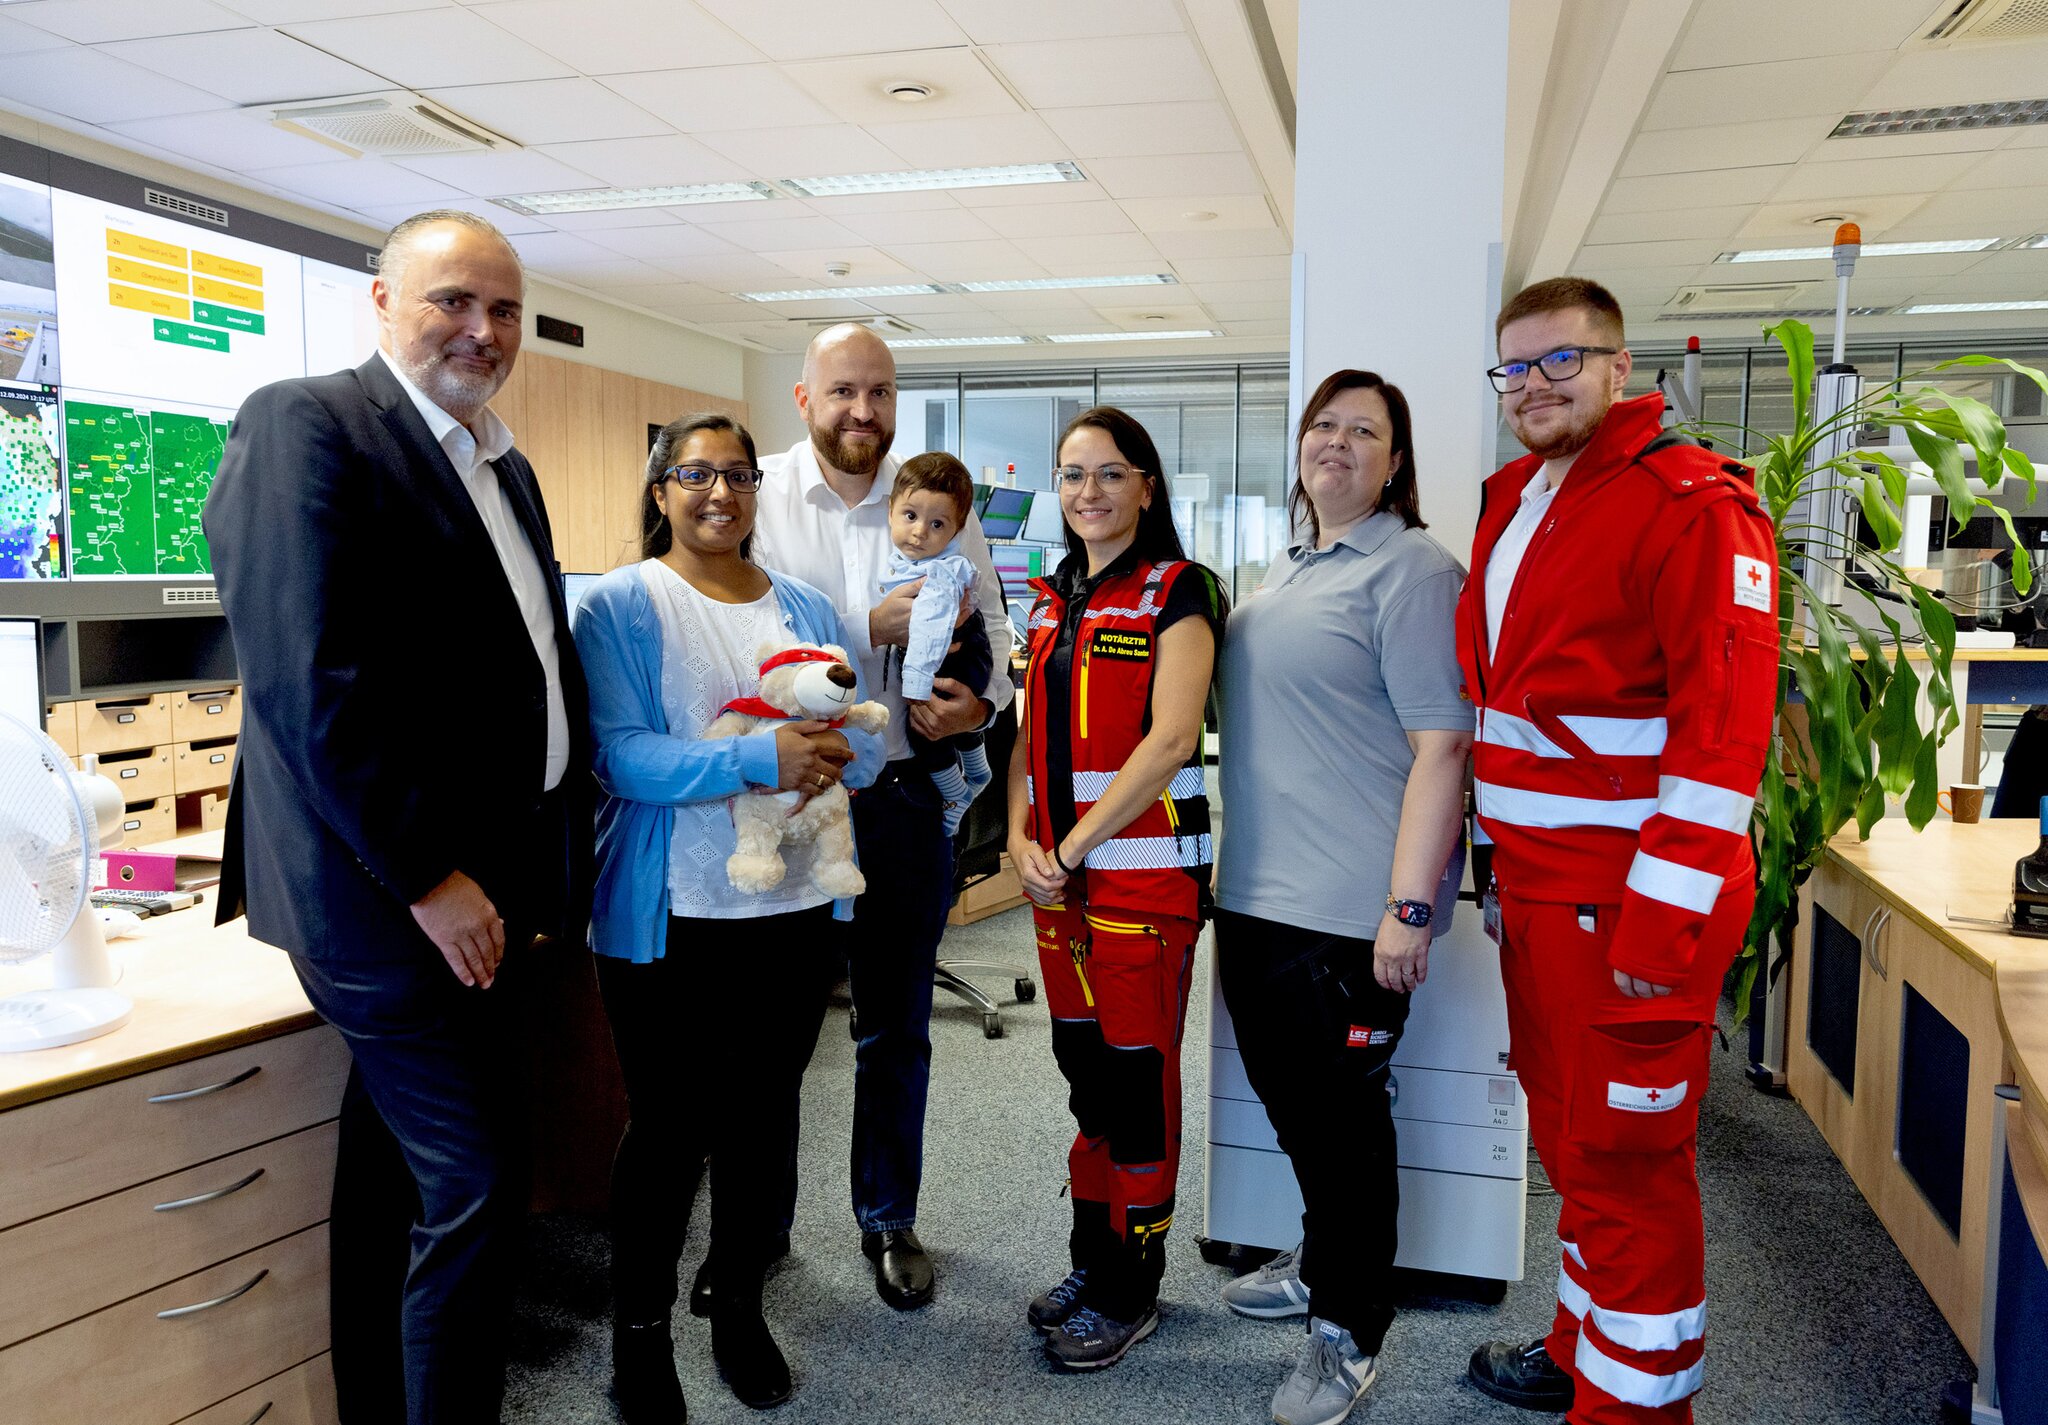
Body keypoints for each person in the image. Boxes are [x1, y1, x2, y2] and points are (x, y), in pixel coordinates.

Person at [203, 210, 592, 1425]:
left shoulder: (503, 464)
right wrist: (428, 876)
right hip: (384, 899)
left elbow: (525, 669)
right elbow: (311, 683)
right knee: (479, 1183)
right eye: (452, 301)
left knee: (391, 1177)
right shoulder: (307, 424)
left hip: (489, 886)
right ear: (381, 301)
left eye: (505, 309)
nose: (483, 330)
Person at [1456, 277, 1776, 1424]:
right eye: (1514, 366)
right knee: (1570, 1147)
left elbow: (1721, 735)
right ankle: (1579, 1351)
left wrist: (1661, 920)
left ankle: (1634, 1408)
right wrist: (1495, 872)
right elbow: (1514, 711)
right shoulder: (1517, 498)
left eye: (1561, 359)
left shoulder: (1691, 505)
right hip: (1540, 901)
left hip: (1632, 910)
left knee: (1627, 1170)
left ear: (1616, 365)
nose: (1533, 384)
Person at [571, 413, 883, 1421]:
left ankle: (739, 1308)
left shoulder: (801, 603)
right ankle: (639, 1336)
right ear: (660, 488)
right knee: (669, 1129)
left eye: (739, 475)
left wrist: (853, 749)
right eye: (696, 474)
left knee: (762, 1120)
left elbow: (860, 741)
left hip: (790, 909)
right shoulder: (621, 602)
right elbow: (618, 755)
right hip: (671, 909)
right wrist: (758, 757)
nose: (719, 493)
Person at [1211, 370, 1473, 1425]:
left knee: (1343, 1131)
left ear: (1395, 461)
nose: (1336, 442)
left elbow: (1443, 745)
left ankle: (1349, 1327)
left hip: (1345, 911)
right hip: (1255, 894)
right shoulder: (1290, 567)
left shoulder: (1413, 571)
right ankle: (1323, 1261)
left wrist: (1409, 908)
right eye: (1322, 425)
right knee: (1294, 1109)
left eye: (1363, 430)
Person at [750, 323, 1011, 1310]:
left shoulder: (935, 495)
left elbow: (995, 625)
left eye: (881, 392)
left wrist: (979, 704)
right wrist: (866, 629)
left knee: (894, 1028)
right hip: (796, 799)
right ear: (804, 398)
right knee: (773, 1033)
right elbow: (741, 640)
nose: (864, 411)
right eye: (844, 391)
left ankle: (888, 1215)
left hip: (902, 798)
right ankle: (756, 1231)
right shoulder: (763, 497)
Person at [1010, 406, 1227, 1371]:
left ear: (1146, 485)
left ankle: (1134, 1288)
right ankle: (1093, 1262)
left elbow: (1171, 739)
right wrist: (1023, 835)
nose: (1087, 491)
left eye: (1108, 472)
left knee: (1137, 1087)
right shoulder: (1052, 600)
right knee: (1087, 1078)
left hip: (1143, 882)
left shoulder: (1179, 590)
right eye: (1071, 474)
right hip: (1059, 883)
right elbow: (1029, 735)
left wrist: (1070, 843)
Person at [885, 450, 995, 835]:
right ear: (890, 512)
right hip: (968, 656)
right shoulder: (916, 562)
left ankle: (955, 793)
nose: (919, 532)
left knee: (923, 727)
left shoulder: (937, 576)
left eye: (936, 524)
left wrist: (915, 687)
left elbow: (930, 634)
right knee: (954, 724)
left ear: (956, 531)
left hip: (955, 658)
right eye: (910, 516)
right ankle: (978, 771)